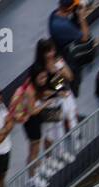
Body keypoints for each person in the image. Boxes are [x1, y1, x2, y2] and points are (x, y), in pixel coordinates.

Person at [34, 39, 77, 169]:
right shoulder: (38, 68)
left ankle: (61, 152)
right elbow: (40, 92)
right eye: (48, 52)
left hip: (61, 97)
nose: (51, 54)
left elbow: (69, 77)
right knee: (49, 133)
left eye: (52, 50)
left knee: (60, 128)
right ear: (42, 53)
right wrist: (56, 93)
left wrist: (61, 70)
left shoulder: (58, 60)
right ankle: (48, 158)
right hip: (49, 102)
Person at [11, 67, 56, 187]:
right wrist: (45, 104)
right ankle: (32, 178)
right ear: (35, 77)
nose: (44, 80)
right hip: (31, 121)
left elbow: (42, 94)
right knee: (34, 150)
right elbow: (32, 111)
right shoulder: (29, 91)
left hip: (35, 119)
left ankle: (37, 170)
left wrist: (55, 93)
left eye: (45, 77)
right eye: (41, 78)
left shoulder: (34, 85)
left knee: (36, 147)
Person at [48, 1, 91, 96]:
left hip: (61, 52)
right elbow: (85, 38)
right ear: (69, 9)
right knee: (71, 80)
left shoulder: (55, 14)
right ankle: (64, 93)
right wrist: (82, 16)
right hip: (67, 58)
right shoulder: (62, 26)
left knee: (64, 78)